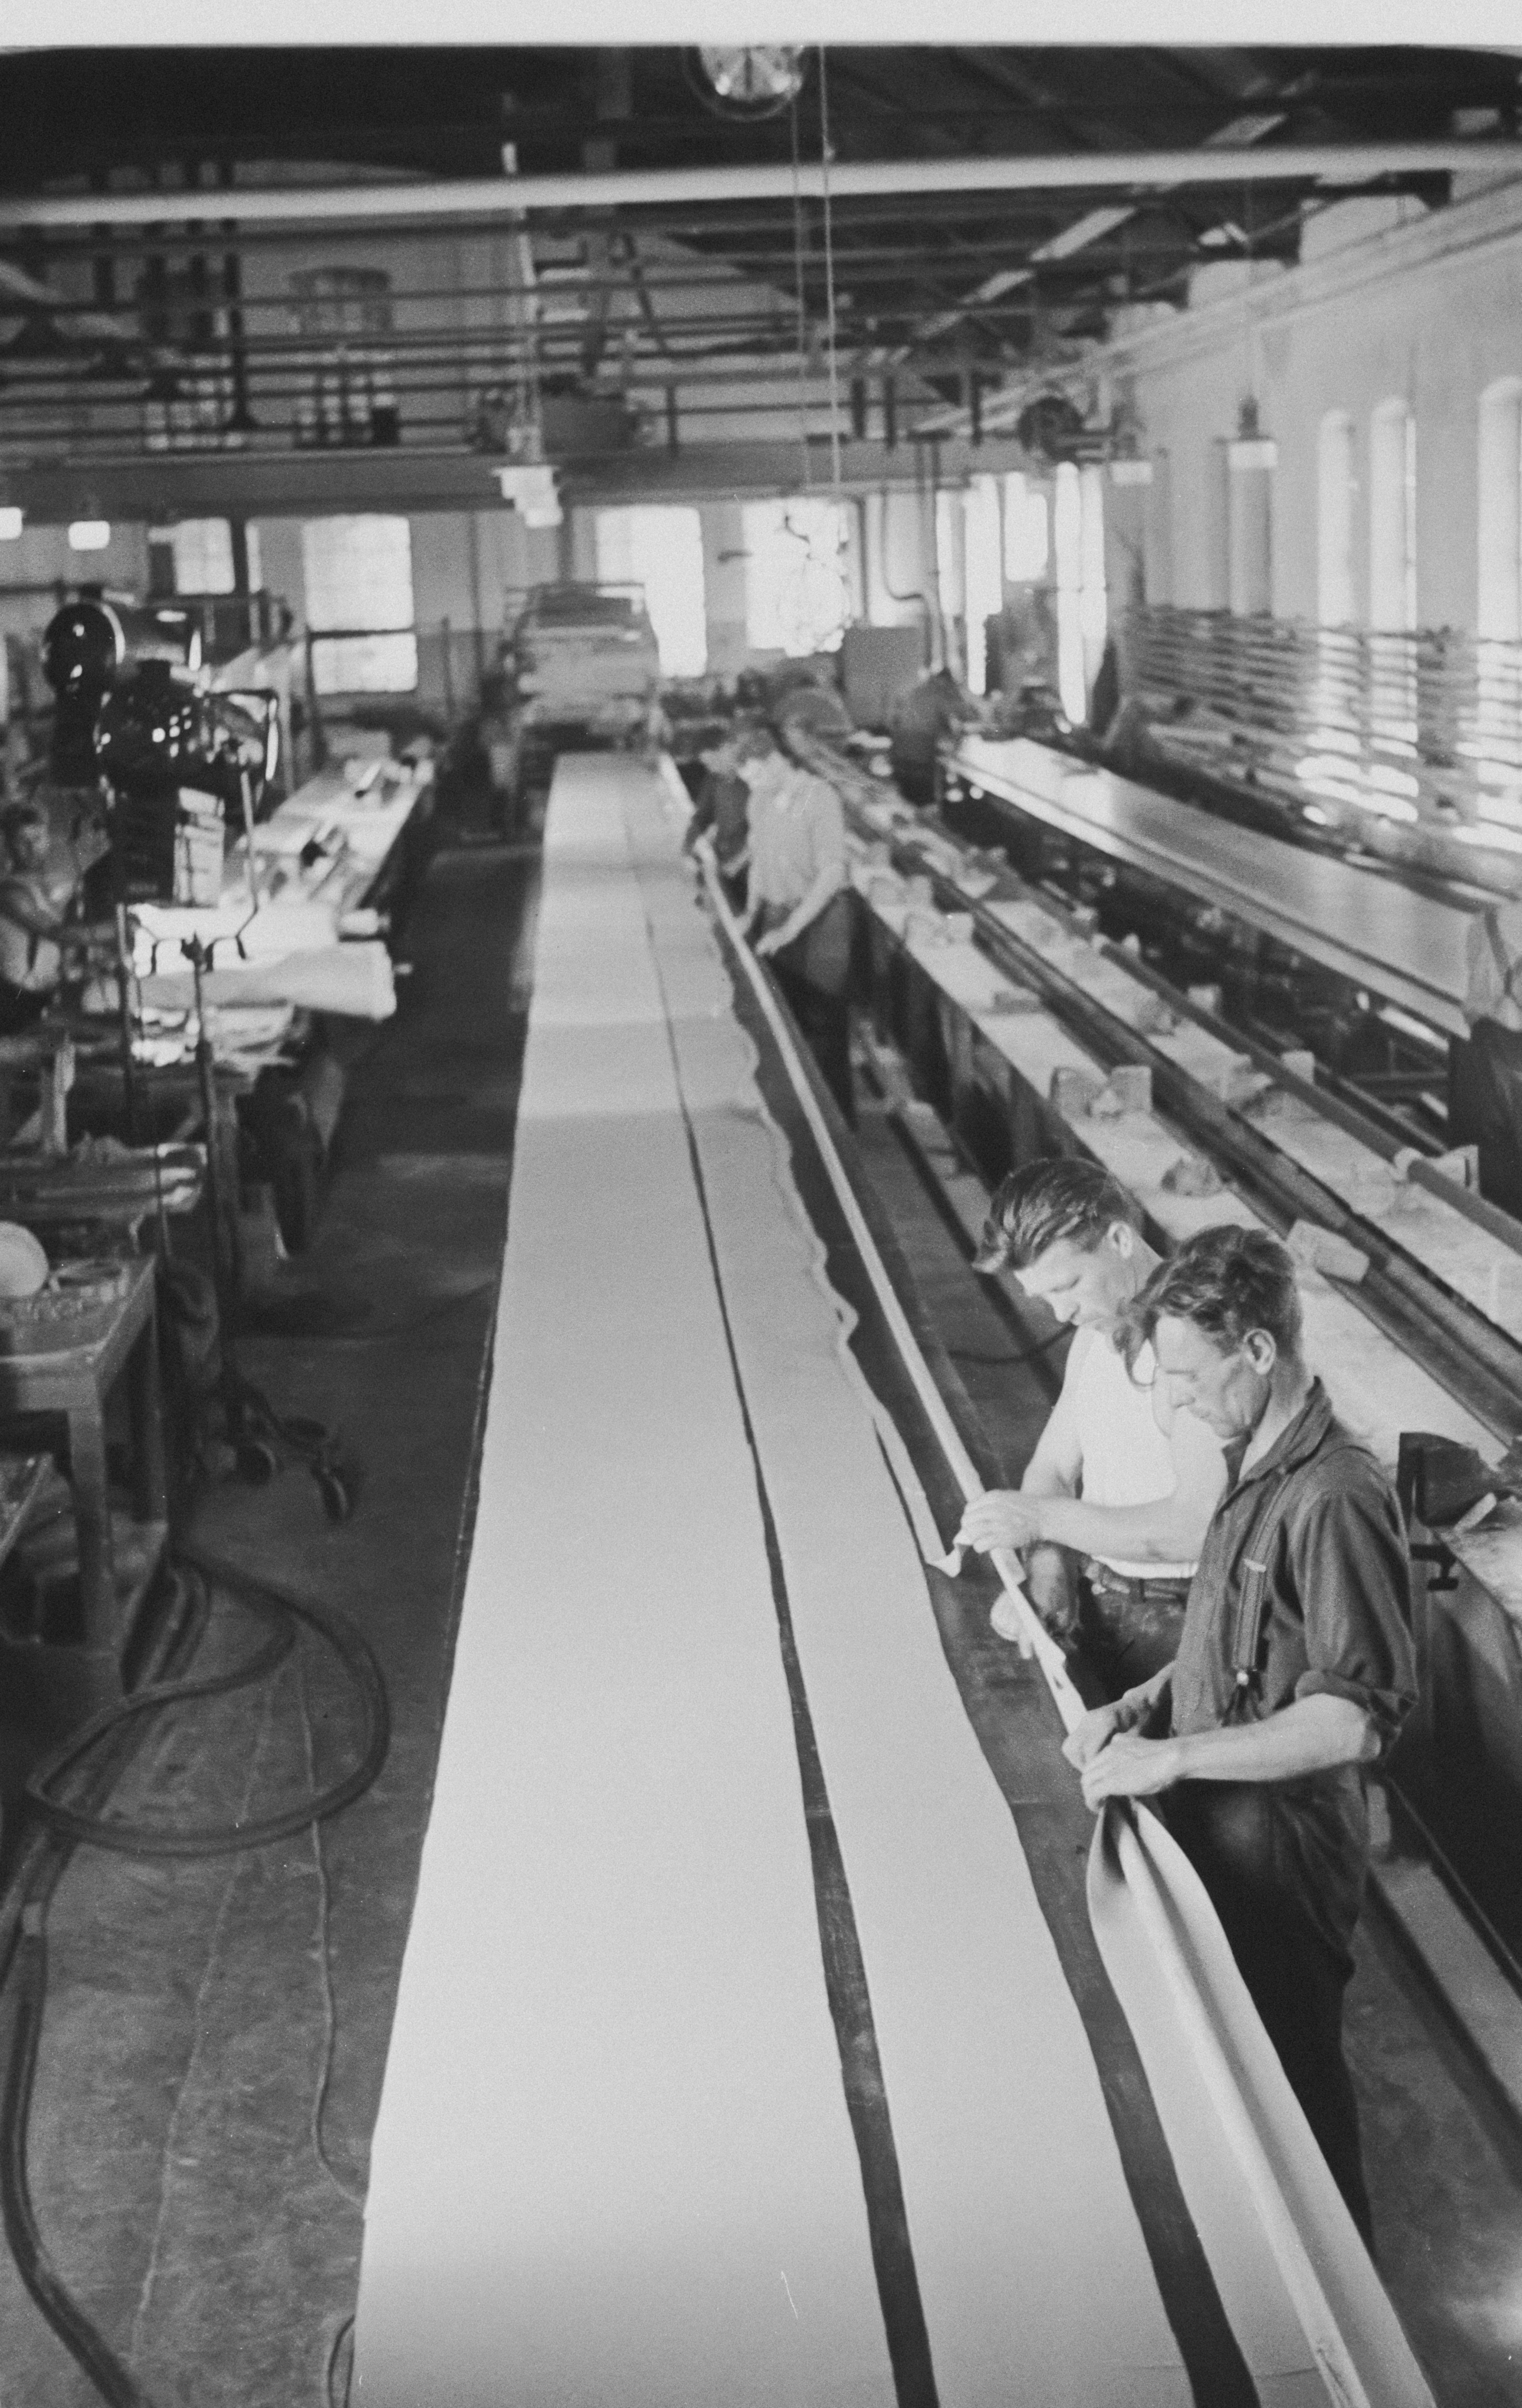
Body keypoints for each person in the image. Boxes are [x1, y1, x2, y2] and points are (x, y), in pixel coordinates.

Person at [1065, 1224, 1416, 2245]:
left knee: (1296, 2095)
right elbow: (1228, 1630)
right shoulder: (1246, 1458)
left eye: (1184, 1375)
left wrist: (1171, 1757)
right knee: (1243, 2079)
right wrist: (1141, 1704)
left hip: (1282, 1852)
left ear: (1256, 1352)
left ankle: (1343, 2332)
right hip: (1220, 1824)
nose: (1172, 1399)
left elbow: (1349, 1718)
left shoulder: (1334, 1496)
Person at [956, 1159, 1227, 1686]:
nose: (1061, 1314)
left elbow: (1193, 1528)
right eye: (1045, 1297)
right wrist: (1048, 1573)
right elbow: (1054, 1467)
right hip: (1106, 1594)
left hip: (1191, 1623)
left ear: (1120, 1241)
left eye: (1070, 1284)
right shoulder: (1096, 1336)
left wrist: (1040, 1523)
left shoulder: (1197, 1344)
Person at [737, 725, 857, 1126]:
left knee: (823, 1022)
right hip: (775, 914)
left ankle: (838, 1125)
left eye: (755, 774)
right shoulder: (760, 799)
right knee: (787, 1018)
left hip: (821, 918)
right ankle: (798, 1117)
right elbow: (758, 860)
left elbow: (831, 873)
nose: (752, 785)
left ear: (774, 761)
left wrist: (791, 930)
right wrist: (751, 914)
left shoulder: (820, 798)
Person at [0, 801, 103, 1034]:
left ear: (47, 840)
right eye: (22, 841)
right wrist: (117, 930)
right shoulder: (10, 893)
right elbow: (60, 934)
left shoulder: (50, 889)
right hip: (13, 1004)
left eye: (37, 839)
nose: (32, 847)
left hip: (41, 998)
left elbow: (61, 952)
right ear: (9, 846)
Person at [681, 734, 752, 913]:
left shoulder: (751, 786)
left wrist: (740, 861)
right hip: (726, 859)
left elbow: (763, 832)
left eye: (712, 762)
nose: (710, 768)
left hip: (746, 865)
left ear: (724, 751)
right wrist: (688, 848)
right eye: (707, 765)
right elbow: (702, 817)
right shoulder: (714, 781)